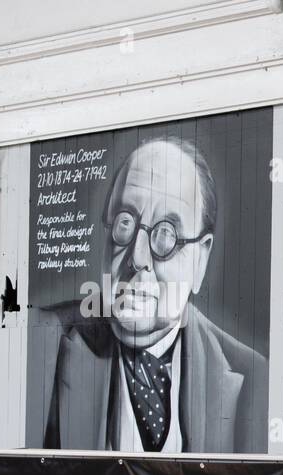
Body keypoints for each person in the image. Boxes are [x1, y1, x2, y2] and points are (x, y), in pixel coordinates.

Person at [42, 136, 267, 454]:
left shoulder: (253, 378)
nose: (137, 257)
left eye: (166, 234)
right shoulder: (46, 346)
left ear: (200, 260)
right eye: (125, 223)